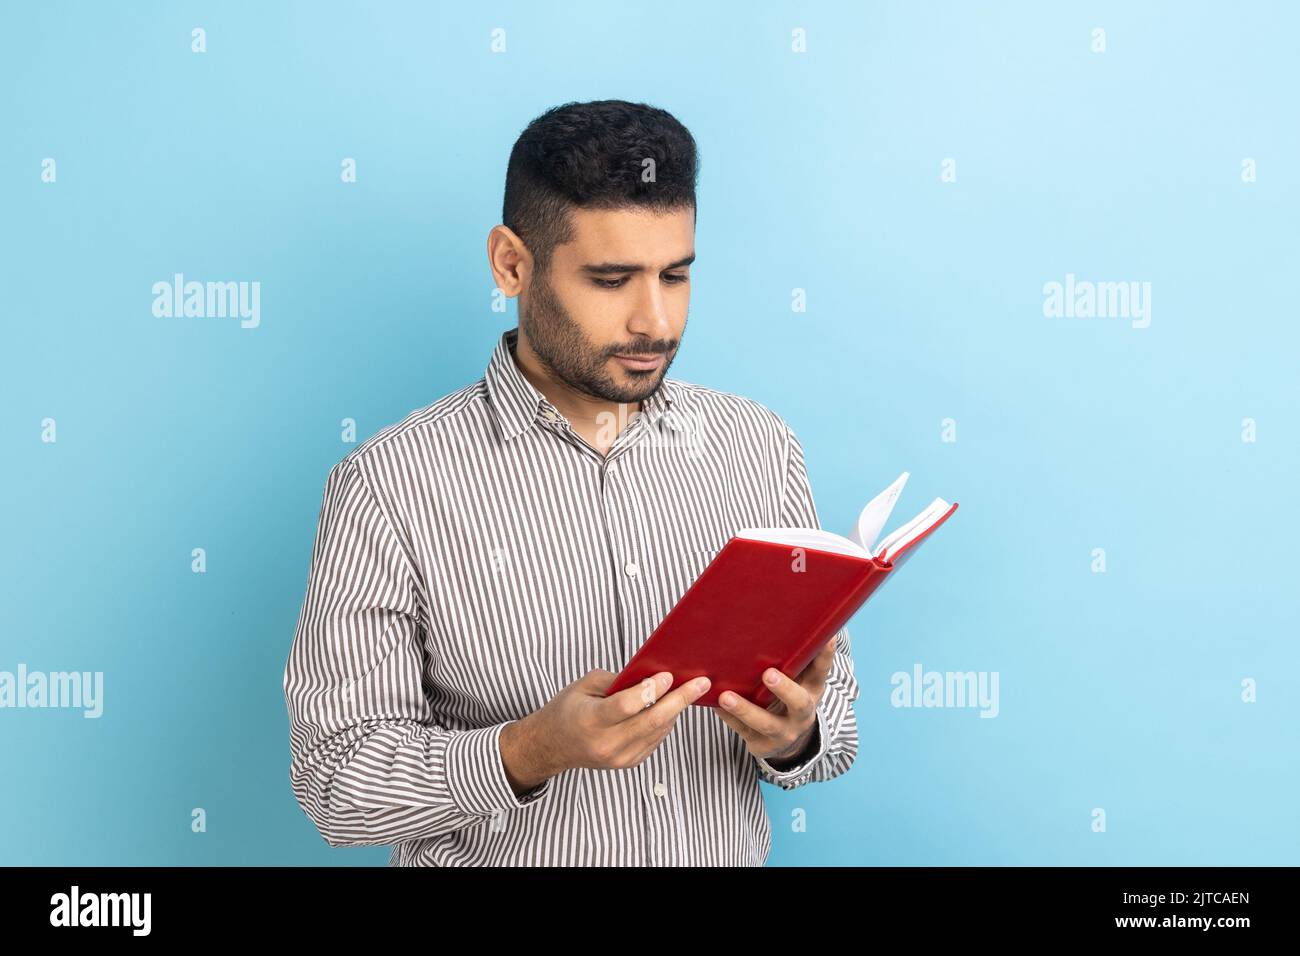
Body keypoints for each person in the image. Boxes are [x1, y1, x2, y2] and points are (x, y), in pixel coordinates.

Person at [283, 99, 859, 866]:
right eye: (612, 278)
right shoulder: (388, 486)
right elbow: (334, 787)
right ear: (511, 263)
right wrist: (526, 751)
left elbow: (837, 730)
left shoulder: (757, 447)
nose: (654, 321)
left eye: (676, 275)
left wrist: (797, 736)